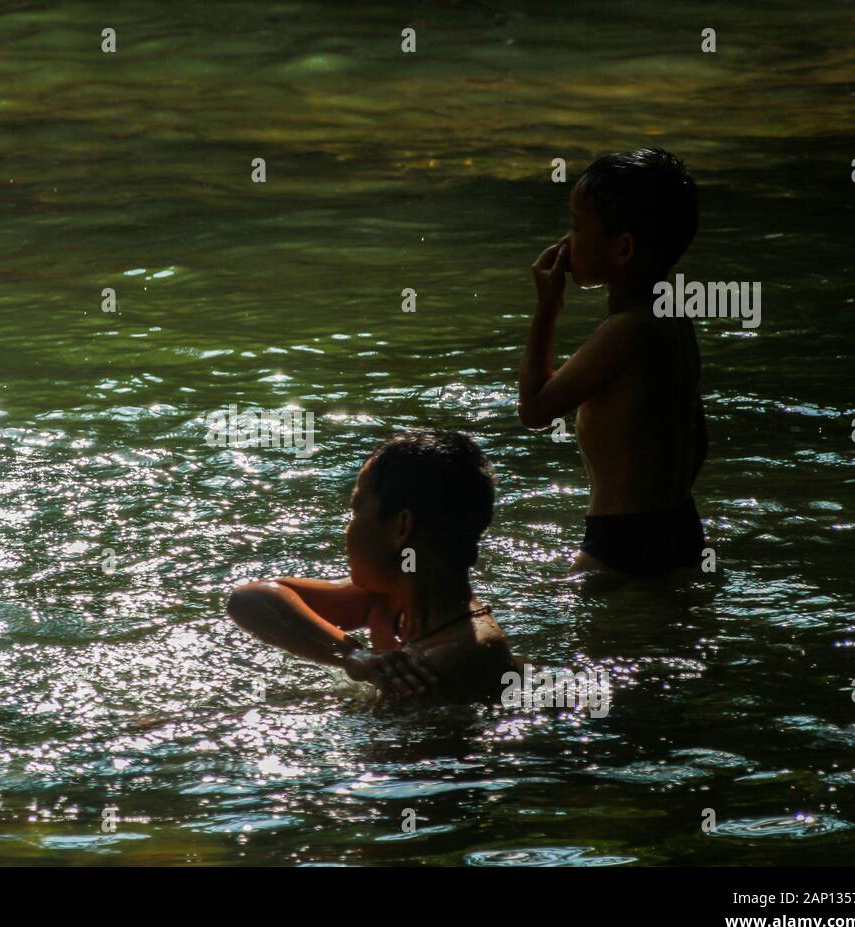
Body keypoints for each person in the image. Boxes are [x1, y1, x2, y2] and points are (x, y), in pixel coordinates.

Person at [517, 147, 707, 577]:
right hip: (684, 534)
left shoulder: (628, 330)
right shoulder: (674, 320)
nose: (565, 242)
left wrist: (547, 307)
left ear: (621, 248)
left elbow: (533, 410)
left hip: (620, 544)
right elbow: (698, 443)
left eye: (577, 226)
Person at [227, 430, 519, 703]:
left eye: (356, 509)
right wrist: (352, 655)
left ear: (401, 527)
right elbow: (249, 599)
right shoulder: (390, 600)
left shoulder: (457, 661)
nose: (347, 529)